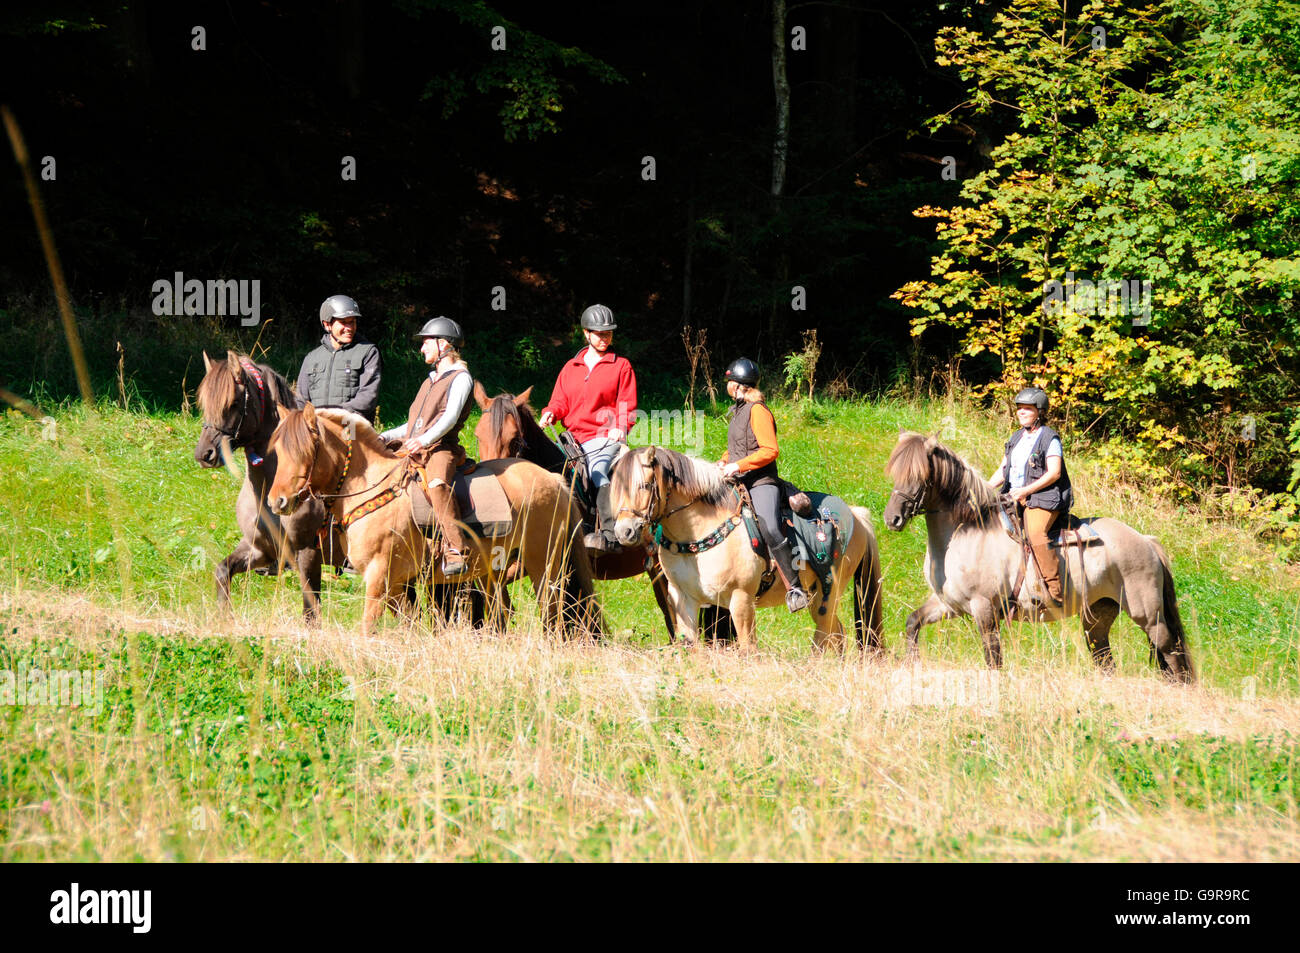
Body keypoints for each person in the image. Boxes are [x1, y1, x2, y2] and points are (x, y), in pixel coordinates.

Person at [379, 317, 473, 578]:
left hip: (441, 448)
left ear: (444, 344)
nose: (422, 349)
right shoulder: (429, 380)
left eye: (426, 343)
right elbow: (412, 425)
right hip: (416, 446)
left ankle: (456, 549)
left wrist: (424, 440)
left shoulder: (461, 377)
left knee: (437, 485)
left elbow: (450, 418)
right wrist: (385, 436)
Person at [538, 304, 637, 552]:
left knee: (596, 472)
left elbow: (626, 404)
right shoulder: (571, 367)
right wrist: (550, 412)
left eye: (608, 333)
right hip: (571, 439)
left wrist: (620, 427)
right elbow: (560, 400)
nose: (604, 338)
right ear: (586, 334)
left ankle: (609, 535)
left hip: (604, 436)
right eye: (599, 333)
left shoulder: (621, 366)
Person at [718, 357, 811, 613]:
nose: (727, 386)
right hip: (739, 481)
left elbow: (770, 450)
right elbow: (736, 449)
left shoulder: (758, 410)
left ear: (739, 386)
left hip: (761, 482)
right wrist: (724, 461)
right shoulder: (738, 411)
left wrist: (738, 466)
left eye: (730, 382)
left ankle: (795, 588)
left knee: (770, 526)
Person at [987, 386, 1073, 609]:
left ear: (1039, 411)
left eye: (1027, 409)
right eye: (1019, 409)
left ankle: (1055, 591)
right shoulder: (1016, 437)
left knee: (1035, 534)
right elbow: (1003, 468)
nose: (1021, 412)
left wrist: (1026, 491)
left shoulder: (1050, 438)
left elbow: (1054, 473)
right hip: (1013, 497)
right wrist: (985, 488)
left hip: (1043, 498)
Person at [298, 295, 382, 424]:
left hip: (352, 427)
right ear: (327, 325)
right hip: (316, 427)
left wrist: (333, 415)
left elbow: (367, 397)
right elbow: (300, 400)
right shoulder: (311, 357)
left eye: (352, 322)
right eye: (343, 322)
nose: (349, 328)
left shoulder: (368, 352)